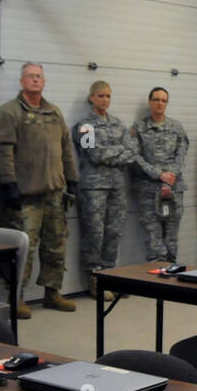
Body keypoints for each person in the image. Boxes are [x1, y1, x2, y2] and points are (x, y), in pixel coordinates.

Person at [0, 62, 78, 318]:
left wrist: (72, 179)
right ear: (21, 82)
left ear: (44, 81)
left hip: (54, 192)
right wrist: (8, 182)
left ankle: (52, 293)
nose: (35, 80)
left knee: (55, 246)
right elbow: (1, 149)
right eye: (30, 76)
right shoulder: (10, 112)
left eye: (38, 76)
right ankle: (15, 297)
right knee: (23, 249)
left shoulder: (54, 112)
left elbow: (66, 148)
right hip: (25, 194)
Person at [73, 81, 135, 300]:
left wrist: (112, 152)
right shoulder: (85, 126)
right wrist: (118, 151)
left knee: (113, 234)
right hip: (94, 188)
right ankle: (94, 279)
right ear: (92, 97)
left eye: (108, 96)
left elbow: (132, 152)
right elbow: (94, 155)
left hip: (117, 186)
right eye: (100, 96)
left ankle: (110, 278)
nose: (105, 100)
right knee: (95, 235)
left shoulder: (118, 124)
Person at [131, 87, 189, 265]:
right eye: (156, 99)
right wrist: (159, 175)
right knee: (154, 242)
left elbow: (181, 155)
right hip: (148, 191)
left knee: (171, 241)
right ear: (150, 102)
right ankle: (156, 284)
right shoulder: (138, 128)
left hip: (173, 190)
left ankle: (171, 283)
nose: (160, 103)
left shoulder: (177, 128)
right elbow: (135, 157)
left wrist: (169, 178)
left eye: (164, 100)